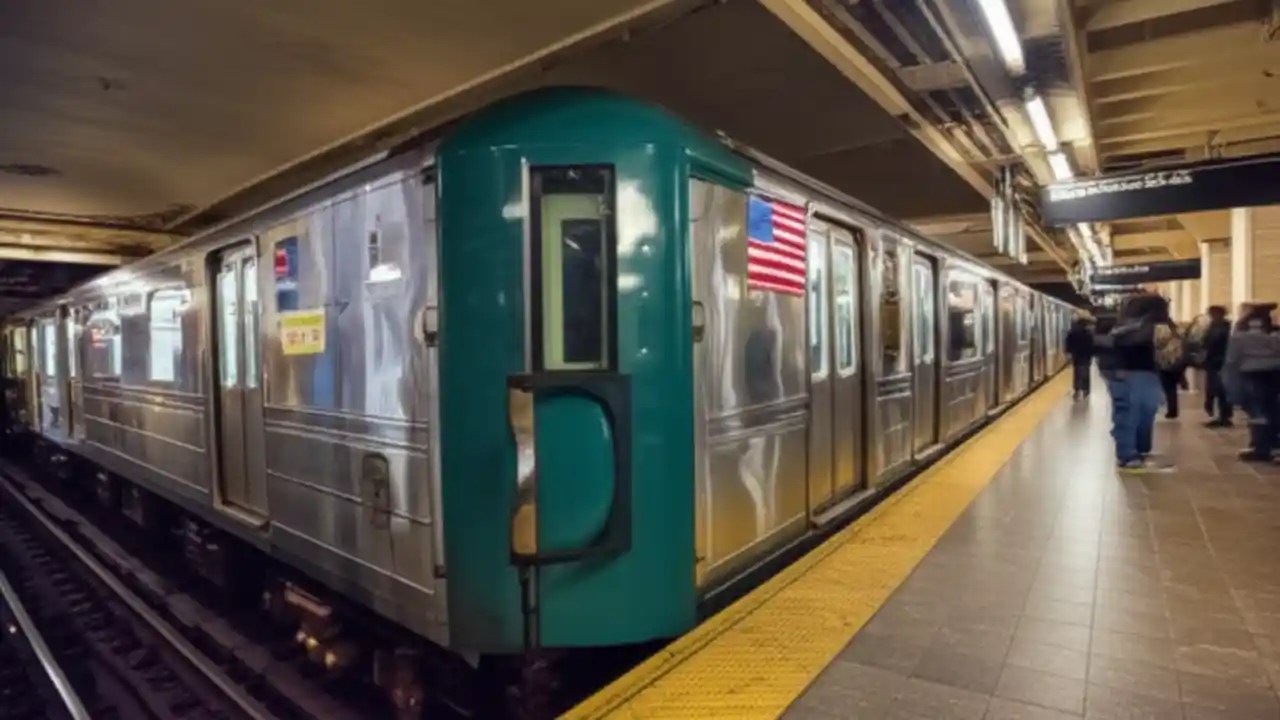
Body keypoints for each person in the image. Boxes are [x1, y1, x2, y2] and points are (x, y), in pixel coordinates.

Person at [1111, 294, 1166, 471]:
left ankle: (1137, 450)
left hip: (1142, 372)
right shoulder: (1137, 326)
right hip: (1133, 373)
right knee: (1133, 413)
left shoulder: (1131, 325)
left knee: (1140, 413)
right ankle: (1129, 453)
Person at [1224, 302, 1280, 461]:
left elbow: (1233, 358)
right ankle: (1275, 446)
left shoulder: (1241, 333)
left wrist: (1229, 376)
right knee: (1274, 410)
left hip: (1252, 374)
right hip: (1276, 373)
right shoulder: (1274, 332)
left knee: (1257, 412)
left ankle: (1260, 447)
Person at [1201, 305, 1234, 427]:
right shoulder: (1223, 326)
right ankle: (1223, 415)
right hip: (1217, 362)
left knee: (1218, 390)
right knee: (1219, 390)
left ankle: (1223, 416)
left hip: (1217, 362)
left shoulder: (1218, 327)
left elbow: (1210, 343)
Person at [1064, 315, 1094, 399]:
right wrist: (1091, 354)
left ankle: (1077, 389)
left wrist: (1068, 352)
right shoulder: (1088, 333)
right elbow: (1091, 345)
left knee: (1077, 372)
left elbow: (1068, 343)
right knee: (1086, 373)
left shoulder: (1072, 332)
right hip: (1086, 355)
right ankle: (1086, 390)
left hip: (1076, 355)